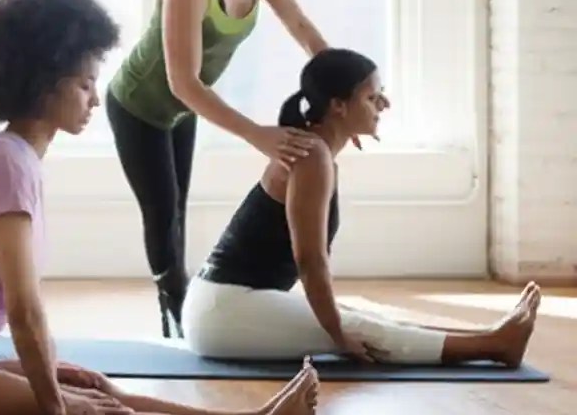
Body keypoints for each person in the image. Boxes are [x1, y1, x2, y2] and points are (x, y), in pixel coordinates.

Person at [0, 0, 320, 415]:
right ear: (44, 86)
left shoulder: (14, 158)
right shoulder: (7, 165)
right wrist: (53, 404)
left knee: (101, 394)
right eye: (84, 85)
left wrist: (48, 372)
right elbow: (23, 309)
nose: (96, 99)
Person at [106, 0, 383, 338]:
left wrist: (349, 91)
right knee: (162, 208)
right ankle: (173, 311)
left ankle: (183, 306)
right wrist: (258, 135)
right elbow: (184, 83)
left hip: (181, 109)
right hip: (140, 103)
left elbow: (299, 26)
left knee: (179, 209)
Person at [181, 48, 541, 366]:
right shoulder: (312, 155)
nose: (383, 105)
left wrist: (337, 324)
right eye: (372, 97)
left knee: (353, 316)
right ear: (338, 106)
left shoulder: (315, 149)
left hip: (222, 306)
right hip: (223, 312)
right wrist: (339, 337)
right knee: (351, 325)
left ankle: (487, 335)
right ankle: (495, 346)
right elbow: (310, 259)